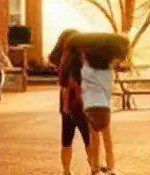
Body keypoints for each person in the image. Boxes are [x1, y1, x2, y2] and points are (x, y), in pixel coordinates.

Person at [51, 29, 90, 175]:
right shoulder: (78, 62)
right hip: (79, 105)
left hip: (66, 106)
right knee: (88, 138)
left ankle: (66, 171)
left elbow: (63, 87)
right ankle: (94, 168)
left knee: (66, 139)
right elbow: (74, 85)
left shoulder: (62, 62)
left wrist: (65, 106)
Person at [79, 44, 121, 175]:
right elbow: (110, 87)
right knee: (107, 138)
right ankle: (110, 167)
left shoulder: (86, 70)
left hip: (90, 105)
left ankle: (94, 167)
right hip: (103, 105)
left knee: (94, 138)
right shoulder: (106, 71)